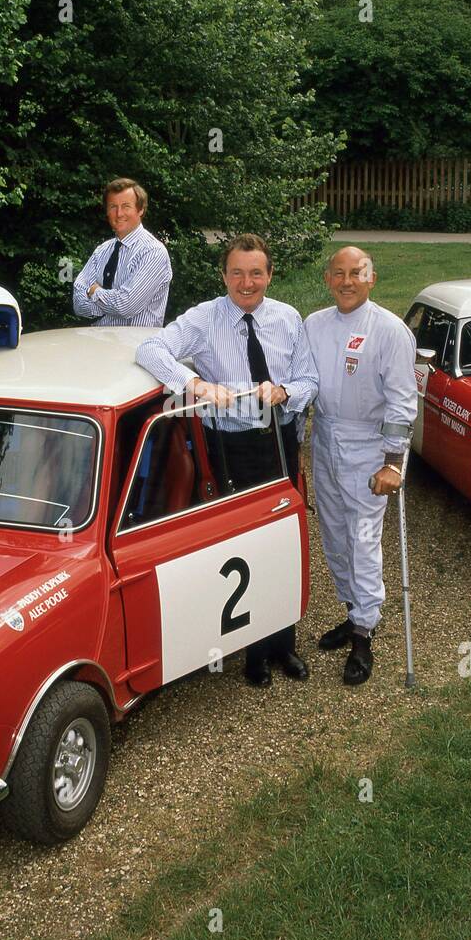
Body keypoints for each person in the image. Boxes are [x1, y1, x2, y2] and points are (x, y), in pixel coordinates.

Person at [136, 234, 318, 686]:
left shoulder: (289, 318)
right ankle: (253, 654)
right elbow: (150, 349)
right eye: (237, 272)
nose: (246, 282)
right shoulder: (204, 318)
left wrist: (285, 391)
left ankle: (285, 644)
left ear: (270, 275)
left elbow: (309, 379)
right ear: (224, 275)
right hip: (230, 447)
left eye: (256, 273)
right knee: (246, 545)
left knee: (282, 539)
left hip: (278, 439)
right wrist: (194, 383)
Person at [305, 246, 417, 686]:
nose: (347, 281)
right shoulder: (314, 324)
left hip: (369, 446)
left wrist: (393, 462)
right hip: (325, 439)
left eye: (356, 273)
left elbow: (402, 402)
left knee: (363, 539)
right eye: (338, 273)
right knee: (333, 536)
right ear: (328, 279)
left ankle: (365, 633)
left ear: (372, 278)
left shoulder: (389, 330)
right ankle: (353, 612)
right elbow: (303, 384)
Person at [72, 178, 172, 327]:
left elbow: (126, 306)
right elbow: (78, 304)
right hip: (96, 343)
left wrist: (93, 291)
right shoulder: (102, 251)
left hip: (133, 346)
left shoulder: (153, 252)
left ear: (140, 209)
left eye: (126, 206)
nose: (119, 214)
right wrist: (108, 303)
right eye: (113, 206)